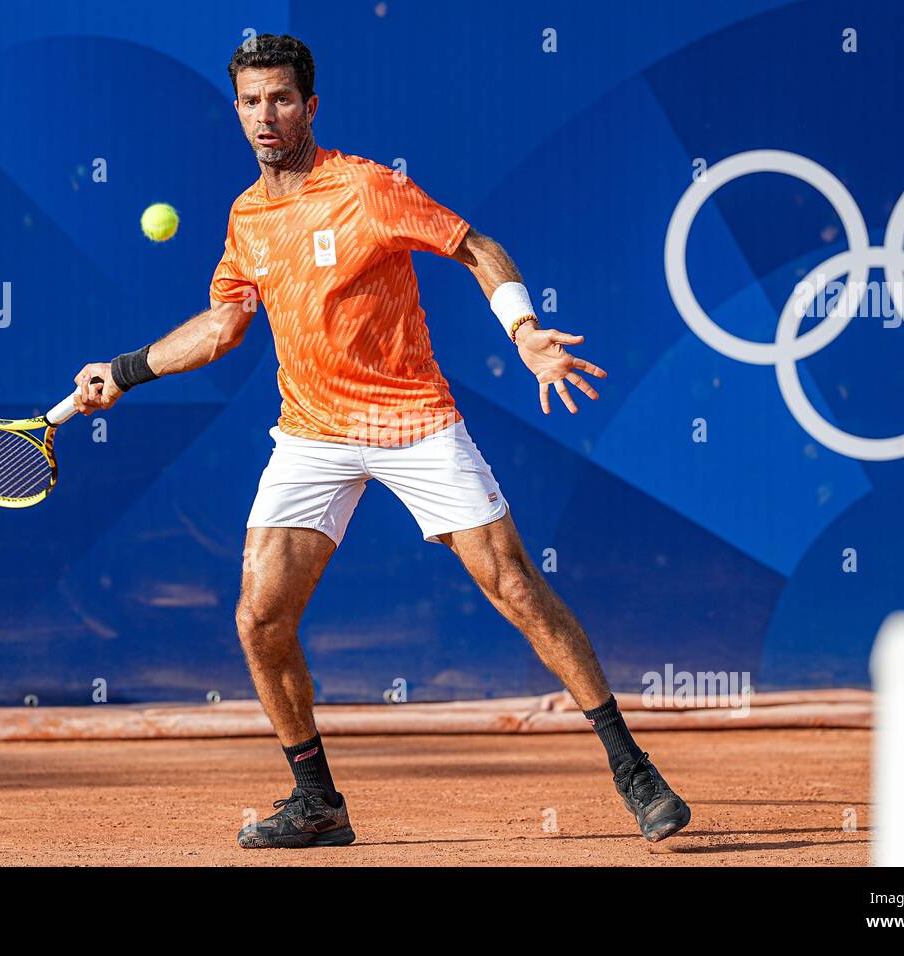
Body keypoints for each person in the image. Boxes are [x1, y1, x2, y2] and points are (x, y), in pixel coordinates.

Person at [73, 34, 691, 849]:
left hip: (411, 418)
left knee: (513, 586)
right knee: (260, 617)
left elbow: (474, 246)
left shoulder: (364, 187)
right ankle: (318, 800)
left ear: (310, 107)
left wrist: (524, 329)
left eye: (283, 99)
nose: (268, 115)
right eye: (253, 101)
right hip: (312, 433)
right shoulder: (246, 216)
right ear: (238, 111)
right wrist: (126, 370)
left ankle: (633, 769)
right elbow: (225, 324)